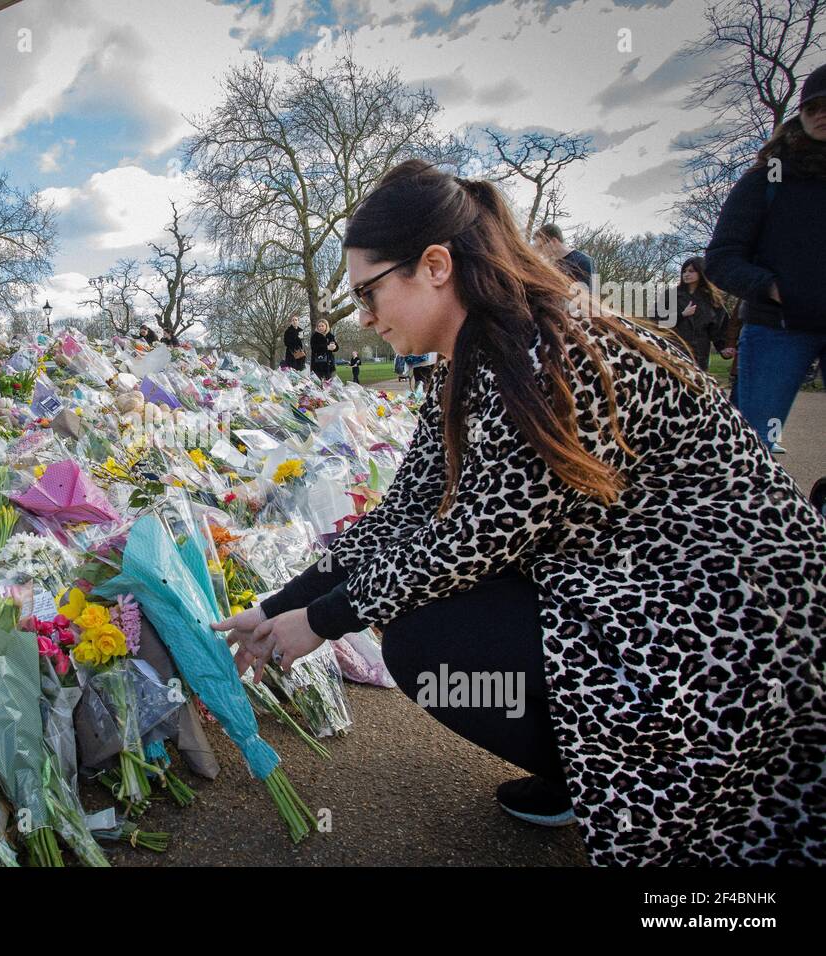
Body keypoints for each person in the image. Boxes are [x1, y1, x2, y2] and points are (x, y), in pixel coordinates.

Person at [213, 158, 825, 866]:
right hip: (634, 579)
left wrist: (321, 622)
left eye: (369, 293)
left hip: (725, 621)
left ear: (435, 266)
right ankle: (581, 765)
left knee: (427, 639)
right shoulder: (475, 356)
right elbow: (405, 512)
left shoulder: (550, 353)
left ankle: (616, 771)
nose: (365, 319)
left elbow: (470, 540)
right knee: (422, 614)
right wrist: (278, 605)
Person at [706, 63, 826, 453]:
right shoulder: (768, 178)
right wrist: (774, 288)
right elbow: (721, 258)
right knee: (752, 447)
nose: (821, 115)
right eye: (813, 108)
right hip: (779, 326)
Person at [668, 256, 730, 372]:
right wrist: (682, 315)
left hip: (700, 354)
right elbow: (655, 320)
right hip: (674, 350)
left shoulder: (712, 299)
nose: (686, 274)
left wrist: (723, 348)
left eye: (691, 271)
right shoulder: (671, 295)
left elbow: (719, 328)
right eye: (684, 271)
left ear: (701, 273)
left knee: (697, 382)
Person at [532, 222, 593, 289]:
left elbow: (589, 293)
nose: (539, 251)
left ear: (554, 241)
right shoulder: (551, 265)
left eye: (540, 246)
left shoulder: (584, 261)